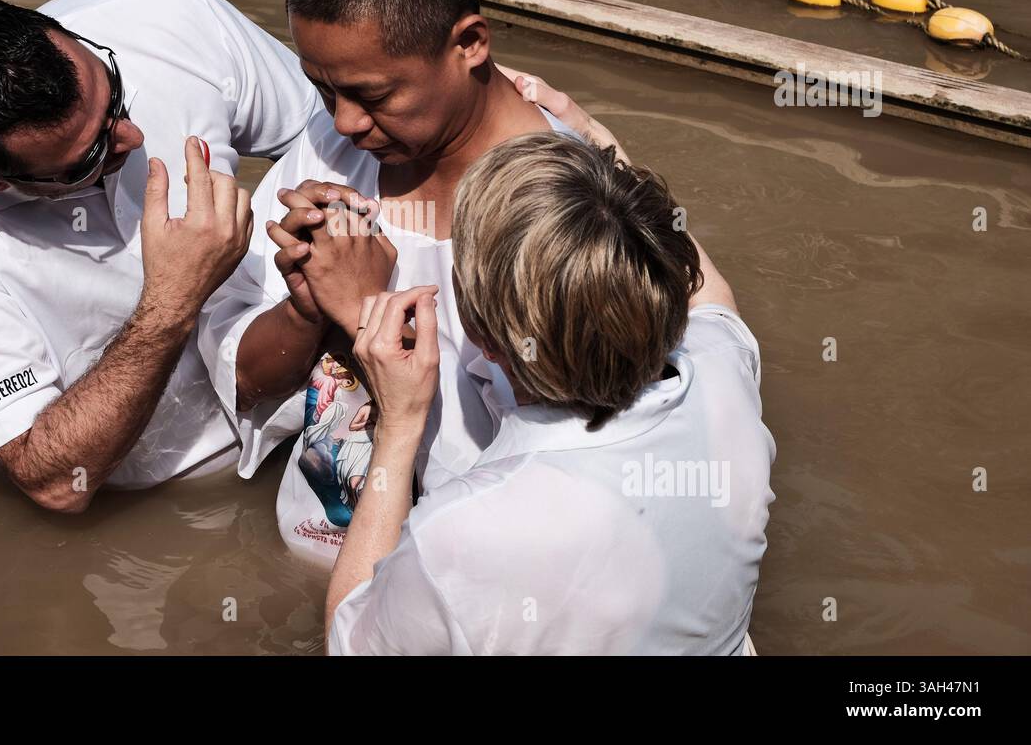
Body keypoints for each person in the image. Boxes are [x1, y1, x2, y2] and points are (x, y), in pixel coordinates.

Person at [197, 0, 583, 564]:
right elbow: (243, 384)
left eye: (372, 95)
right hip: (322, 568)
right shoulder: (331, 146)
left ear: (469, 44)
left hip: (454, 595)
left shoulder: (563, 210)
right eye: (322, 89)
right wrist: (305, 308)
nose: (345, 122)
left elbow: (555, 482)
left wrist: (362, 311)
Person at [0, 0, 319, 511]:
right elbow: (51, 480)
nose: (132, 137)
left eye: (115, 94)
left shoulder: (168, 16)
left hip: (325, 386)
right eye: (92, 155)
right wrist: (171, 303)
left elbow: (336, 132)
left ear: (58, 34)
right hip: (180, 500)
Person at [327, 129, 776, 655]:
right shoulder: (724, 380)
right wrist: (597, 149)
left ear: (481, 335)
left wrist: (400, 426)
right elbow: (712, 296)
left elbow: (348, 639)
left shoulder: (462, 533)